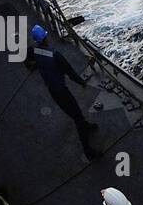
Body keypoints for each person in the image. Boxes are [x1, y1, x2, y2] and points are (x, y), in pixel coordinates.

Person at [28, 24, 99, 157]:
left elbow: (27, 59)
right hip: (61, 91)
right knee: (77, 116)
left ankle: (85, 125)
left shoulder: (33, 51)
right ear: (45, 38)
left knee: (75, 113)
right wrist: (82, 82)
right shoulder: (55, 55)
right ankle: (88, 151)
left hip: (53, 91)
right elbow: (70, 73)